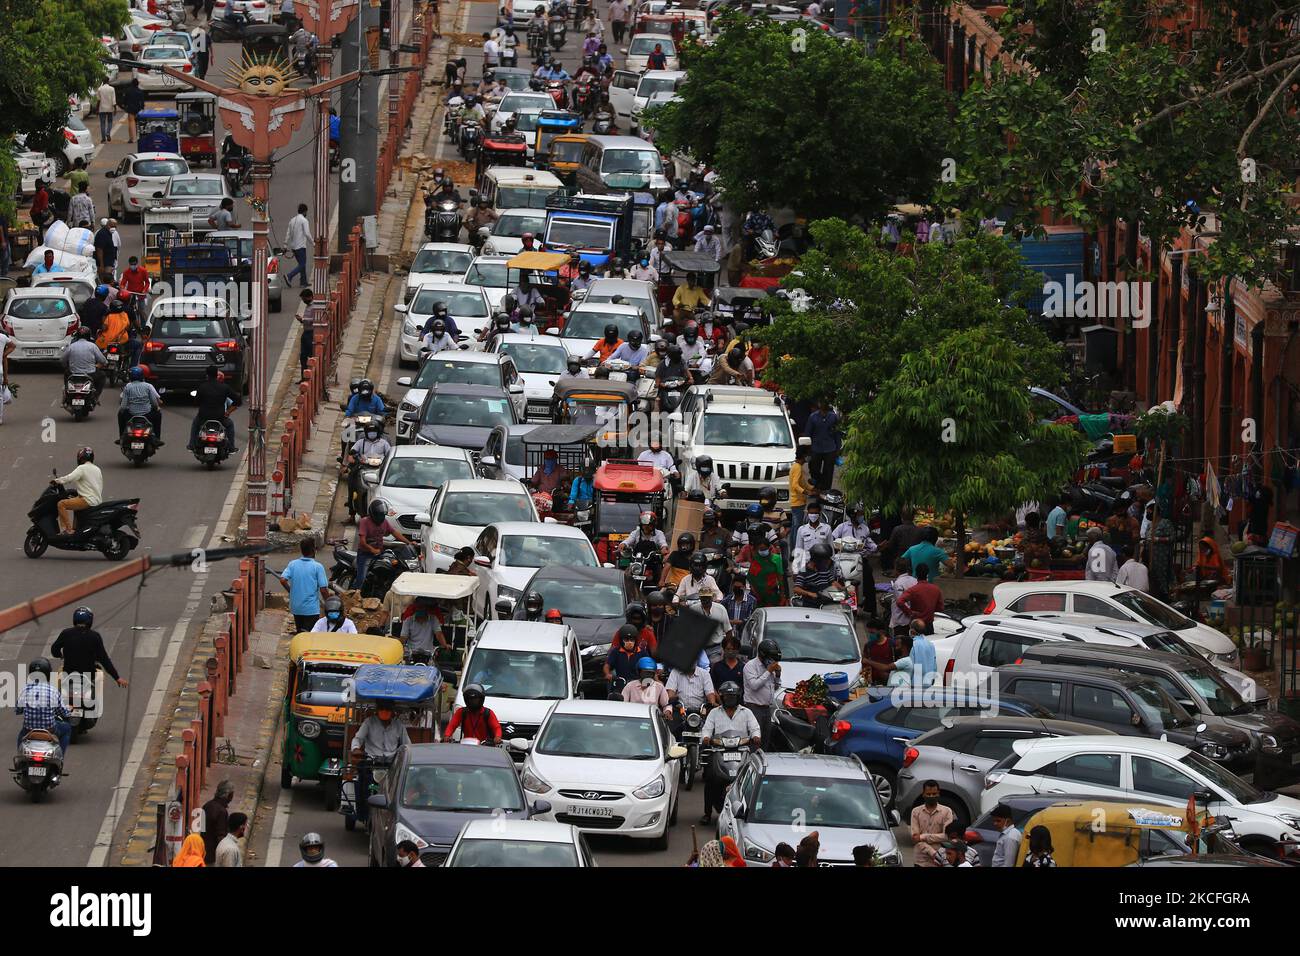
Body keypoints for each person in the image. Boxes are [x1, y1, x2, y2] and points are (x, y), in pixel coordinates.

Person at [699, 681, 760, 824]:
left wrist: (756, 736)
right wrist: (706, 738)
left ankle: (752, 812)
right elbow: (707, 729)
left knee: (751, 781)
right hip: (719, 750)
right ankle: (707, 813)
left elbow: (755, 728)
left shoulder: (746, 712)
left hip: (742, 750)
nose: (730, 699)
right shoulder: (714, 712)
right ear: (722, 697)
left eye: (732, 696)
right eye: (727, 696)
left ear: (738, 697)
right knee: (710, 779)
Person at [351, 699, 411, 824]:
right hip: (371, 761)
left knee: (401, 786)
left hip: (392, 763)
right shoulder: (369, 722)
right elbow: (357, 739)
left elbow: (407, 745)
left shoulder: (398, 725)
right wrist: (356, 749)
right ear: (377, 710)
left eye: (387, 709)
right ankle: (362, 813)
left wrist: (406, 755)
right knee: (362, 781)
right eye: (382, 708)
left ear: (392, 711)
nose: (384, 711)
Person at [16, 658, 71, 756]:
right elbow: (64, 712)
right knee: (67, 728)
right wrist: (68, 710)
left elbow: (18, 710)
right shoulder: (53, 690)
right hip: (49, 730)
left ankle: (20, 756)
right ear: (48, 674)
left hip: (29, 730)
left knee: (21, 736)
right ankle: (60, 757)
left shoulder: (25, 690)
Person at [356, 498, 413, 587]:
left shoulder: (384, 522)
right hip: (365, 554)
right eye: (379, 515)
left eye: (382, 515)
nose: (381, 518)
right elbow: (362, 542)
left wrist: (409, 542)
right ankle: (355, 591)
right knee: (361, 578)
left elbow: (395, 533)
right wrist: (372, 550)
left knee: (389, 567)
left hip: (379, 553)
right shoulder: (365, 521)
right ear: (373, 514)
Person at [280, 538, 330, 633]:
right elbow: (323, 590)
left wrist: (291, 591)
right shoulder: (318, 567)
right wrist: (329, 603)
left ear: (301, 550)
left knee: (300, 633)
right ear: (313, 550)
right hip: (311, 609)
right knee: (309, 635)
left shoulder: (293, 564)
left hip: (296, 607)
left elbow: (282, 580)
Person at [187, 365, 239, 452]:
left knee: (195, 424)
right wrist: (228, 412)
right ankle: (231, 447)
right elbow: (238, 400)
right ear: (216, 375)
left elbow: (196, 403)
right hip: (220, 417)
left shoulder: (202, 387)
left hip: (203, 417)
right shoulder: (225, 387)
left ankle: (192, 445)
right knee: (230, 425)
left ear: (207, 375)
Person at [54, 446, 103, 536]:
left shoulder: (82, 468)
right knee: (74, 501)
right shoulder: (97, 469)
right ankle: (76, 528)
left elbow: (70, 478)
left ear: (80, 458)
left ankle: (68, 530)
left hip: (87, 500)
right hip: (97, 500)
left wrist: (57, 481)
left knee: (61, 504)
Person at [742, 637, 781, 742]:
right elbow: (754, 685)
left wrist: (778, 675)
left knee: (765, 740)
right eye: (770, 657)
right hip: (754, 708)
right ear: (763, 654)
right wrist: (768, 671)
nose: (772, 660)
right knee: (754, 740)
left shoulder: (769, 666)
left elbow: (775, 687)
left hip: (766, 709)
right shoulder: (750, 666)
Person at [909, 780, 954, 867]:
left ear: (938, 793)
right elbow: (915, 838)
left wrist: (923, 837)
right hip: (920, 860)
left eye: (934, 794)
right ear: (923, 794)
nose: (931, 796)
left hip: (938, 861)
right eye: (928, 794)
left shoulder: (946, 811)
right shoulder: (916, 812)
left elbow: (947, 836)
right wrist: (933, 853)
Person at [116, 366, 163, 442]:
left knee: (120, 414)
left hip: (131, 414)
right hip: (147, 414)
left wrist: (122, 411)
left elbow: (123, 406)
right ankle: (157, 438)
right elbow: (154, 403)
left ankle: (121, 437)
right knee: (158, 414)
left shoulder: (128, 387)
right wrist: (157, 408)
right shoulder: (148, 386)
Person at [897, 564, 944, 637]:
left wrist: (909, 612)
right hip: (929, 624)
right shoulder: (936, 589)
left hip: (916, 625)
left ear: (916, 574)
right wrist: (930, 610)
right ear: (927, 574)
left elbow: (899, 601)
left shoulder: (913, 590)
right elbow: (940, 608)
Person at [804, 399, 840, 491]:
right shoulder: (813, 417)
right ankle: (818, 485)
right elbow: (808, 433)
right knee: (814, 469)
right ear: (819, 404)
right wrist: (807, 448)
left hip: (830, 448)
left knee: (828, 471)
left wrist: (838, 448)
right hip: (816, 448)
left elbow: (837, 433)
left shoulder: (833, 417)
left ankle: (826, 490)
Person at [793, 542, 843, 607]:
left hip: (826, 601)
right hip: (812, 604)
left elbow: (833, 582)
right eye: (825, 560)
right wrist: (809, 593)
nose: (828, 562)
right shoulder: (803, 572)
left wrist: (844, 589)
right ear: (817, 559)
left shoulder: (824, 569)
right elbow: (796, 589)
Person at [746, 530, 786, 607]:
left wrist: (782, 596)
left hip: (772, 594)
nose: (763, 551)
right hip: (757, 596)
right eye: (761, 549)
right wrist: (755, 593)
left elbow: (780, 579)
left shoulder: (776, 559)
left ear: (769, 548)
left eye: (764, 549)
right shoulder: (755, 559)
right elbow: (751, 578)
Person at [201, 779, 235, 864]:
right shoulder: (221, 811)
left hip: (203, 851)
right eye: (232, 794)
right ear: (229, 795)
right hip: (213, 856)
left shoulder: (207, 805)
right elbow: (221, 836)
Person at [285, 203, 313, 288]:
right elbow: (307, 233)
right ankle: (289, 276)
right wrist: (313, 243)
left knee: (301, 264)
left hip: (293, 247)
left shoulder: (292, 220)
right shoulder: (304, 220)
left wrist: (285, 244)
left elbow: (288, 233)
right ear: (305, 211)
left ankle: (303, 282)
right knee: (302, 264)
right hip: (300, 246)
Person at [121, 77, 145, 143]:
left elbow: (124, 100)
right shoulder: (140, 91)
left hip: (130, 108)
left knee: (131, 122)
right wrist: (142, 108)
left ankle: (132, 138)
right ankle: (136, 137)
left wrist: (124, 105)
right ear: (137, 84)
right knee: (137, 123)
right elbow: (142, 101)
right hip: (138, 108)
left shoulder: (128, 91)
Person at [95, 79, 116, 144]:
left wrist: (97, 109)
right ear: (108, 81)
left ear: (103, 82)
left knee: (102, 123)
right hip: (110, 108)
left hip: (102, 108)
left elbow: (98, 100)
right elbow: (113, 100)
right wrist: (115, 108)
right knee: (110, 122)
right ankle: (108, 132)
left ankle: (103, 139)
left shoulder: (99, 89)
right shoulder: (112, 89)